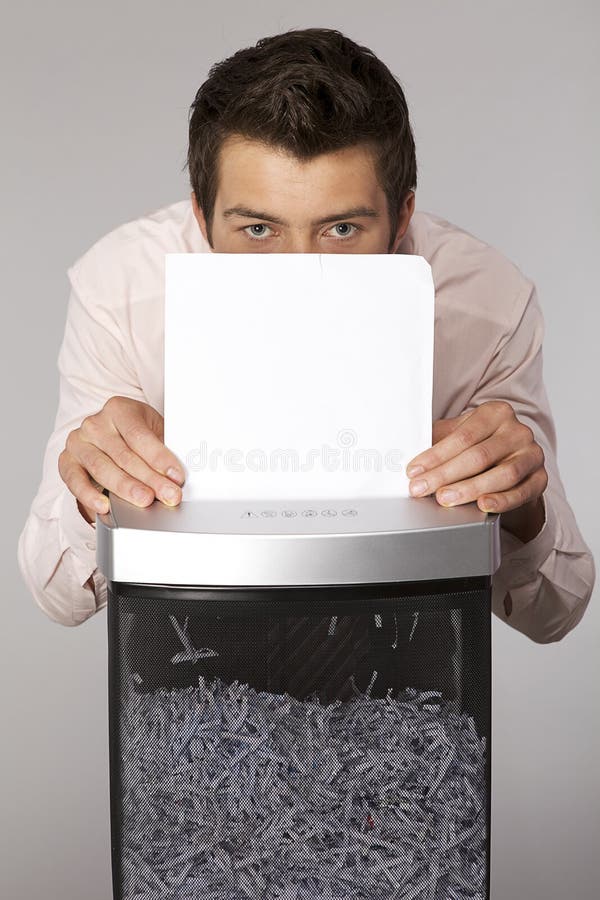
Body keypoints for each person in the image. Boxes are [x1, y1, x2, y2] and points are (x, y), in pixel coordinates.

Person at [17, 26, 594, 641]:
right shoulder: (121, 289)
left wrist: (523, 506)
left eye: (341, 229)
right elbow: (56, 594)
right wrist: (92, 490)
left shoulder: (490, 305)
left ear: (402, 219)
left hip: (407, 685)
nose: (297, 269)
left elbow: (554, 611)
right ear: (200, 218)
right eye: (258, 229)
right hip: (190, 683)